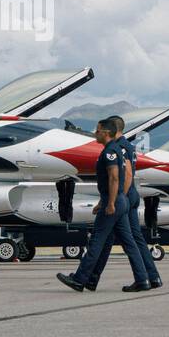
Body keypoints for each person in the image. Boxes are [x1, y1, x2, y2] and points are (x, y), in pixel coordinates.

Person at [57, 118, 152, 293]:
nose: (95, 133)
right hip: (119, 200)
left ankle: (79, 279)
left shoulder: (110, 152)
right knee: (129, 242)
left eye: (98, 130)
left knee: (97, 241)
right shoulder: (118, 150)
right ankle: (142, 279)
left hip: (114, 201)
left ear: (106, 133)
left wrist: (109, 203)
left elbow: (114, 178)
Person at [84, 116, 162, 290]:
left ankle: (89, 278)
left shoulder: (118, 147)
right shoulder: (129, 146)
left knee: (110, 240)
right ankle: (152, 276)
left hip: (124, 195)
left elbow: (124, 176)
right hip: (129, 195)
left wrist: (118, 199)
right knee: (133, 238)